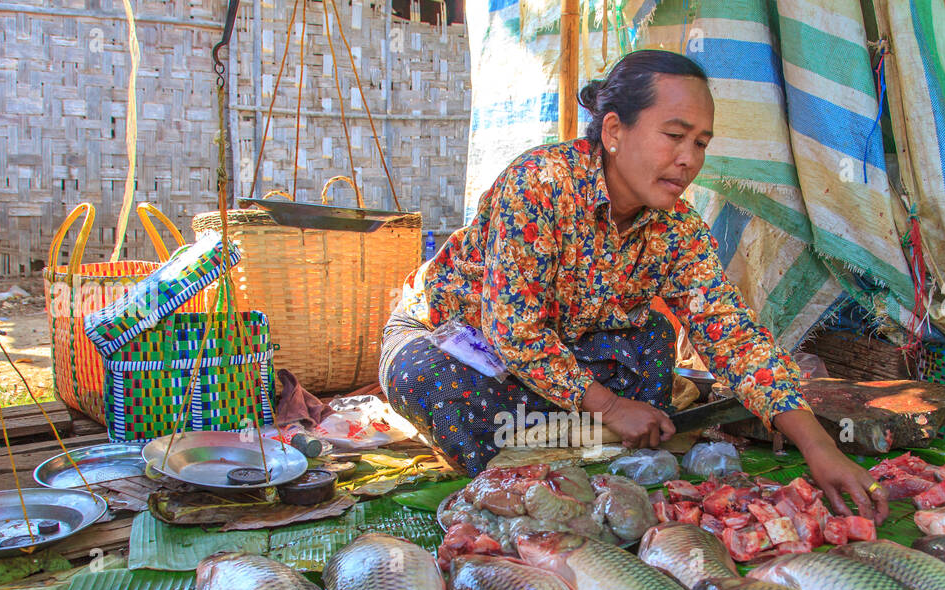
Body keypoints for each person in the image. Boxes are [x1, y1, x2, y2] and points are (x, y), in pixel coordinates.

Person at [380, 49, 889, 523]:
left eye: (701, 143)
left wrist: (820, 447)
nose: (689, 159)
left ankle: (562, 429)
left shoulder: (678, 228)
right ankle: (563, 437)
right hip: (457, 338)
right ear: (613, 130)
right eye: (675, 135)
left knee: (651, 344)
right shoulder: (538, 184)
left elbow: (732, 335)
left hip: (567, 353)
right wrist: (608, 405)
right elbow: (512, 330)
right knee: (427, 379)